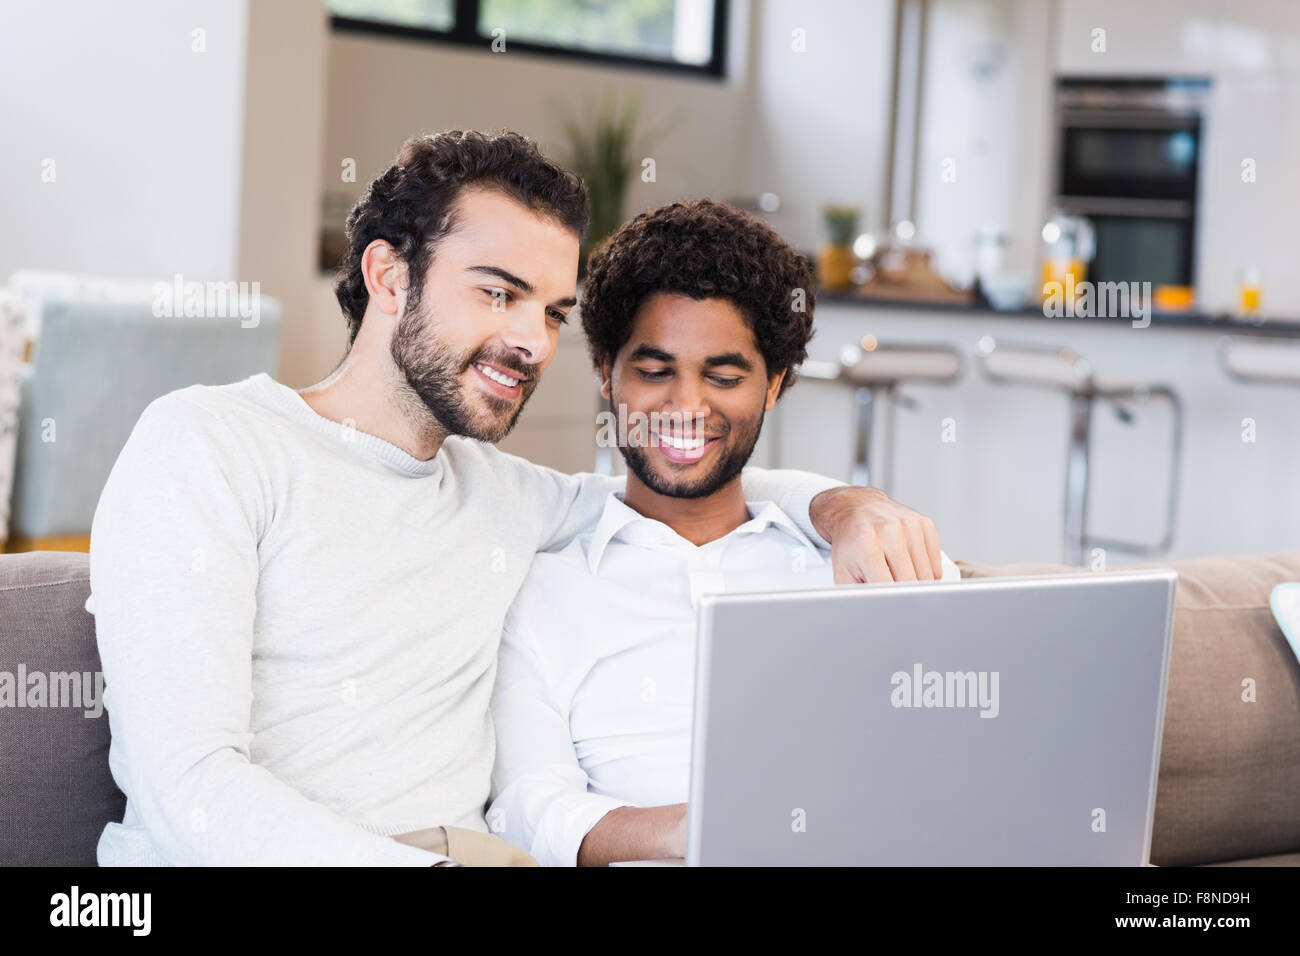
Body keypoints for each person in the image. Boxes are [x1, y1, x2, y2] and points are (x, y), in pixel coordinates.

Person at [89, 131, 946, 866]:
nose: (531, 341)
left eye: (552, 312)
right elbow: (185, 784)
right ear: (389, 277)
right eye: (498, 293)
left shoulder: (508, 498)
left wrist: (847, 507)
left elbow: (686, 479)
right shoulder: (211, 444)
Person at [488, 199, 960, 866]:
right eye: (654, 371)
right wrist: (702, 830)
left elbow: (955, 766)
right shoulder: (538, 593)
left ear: (775, 385)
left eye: (725, 375)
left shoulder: (863, 558)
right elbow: (526, 811)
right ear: (605, 373)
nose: (686, 407)